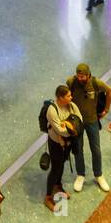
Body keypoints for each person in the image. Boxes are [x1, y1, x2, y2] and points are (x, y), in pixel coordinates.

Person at [66, 63, 111, 192]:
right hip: (77, 123)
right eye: (78, 76)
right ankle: (80, 175)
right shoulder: (71, 82)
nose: (80, 78)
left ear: (88, 75)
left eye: (83, 76)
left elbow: (109, 91)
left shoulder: (96, 83)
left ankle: (98, 175)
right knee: (78, 149)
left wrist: (106, 109)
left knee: (96, 149)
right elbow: (66, 97)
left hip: (92, 120)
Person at [44, 84, 81, 212]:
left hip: (67, 143)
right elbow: (61, 131)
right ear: (60, 97)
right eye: (68, 96)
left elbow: (79, 121)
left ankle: (57, 186)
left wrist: (68, 125)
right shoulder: (52, 110)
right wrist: (71, 126)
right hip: (56, 143)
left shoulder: (71, 105)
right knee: (55, 168)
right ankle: (48, 196)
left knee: (62, 165)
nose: (71, 97)